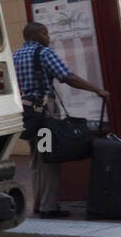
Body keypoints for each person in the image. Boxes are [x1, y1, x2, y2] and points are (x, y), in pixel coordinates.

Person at [13, 22, 109, 218]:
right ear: (38, 34)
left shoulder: (15, 56)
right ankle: (49, 207)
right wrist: (96, 90)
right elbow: (67, 77)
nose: (48, 37)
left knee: (37, 158)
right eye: (46, 33)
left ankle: (39, 204)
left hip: (27, 115)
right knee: (49, 157)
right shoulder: (43, 53)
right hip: (44, 115)